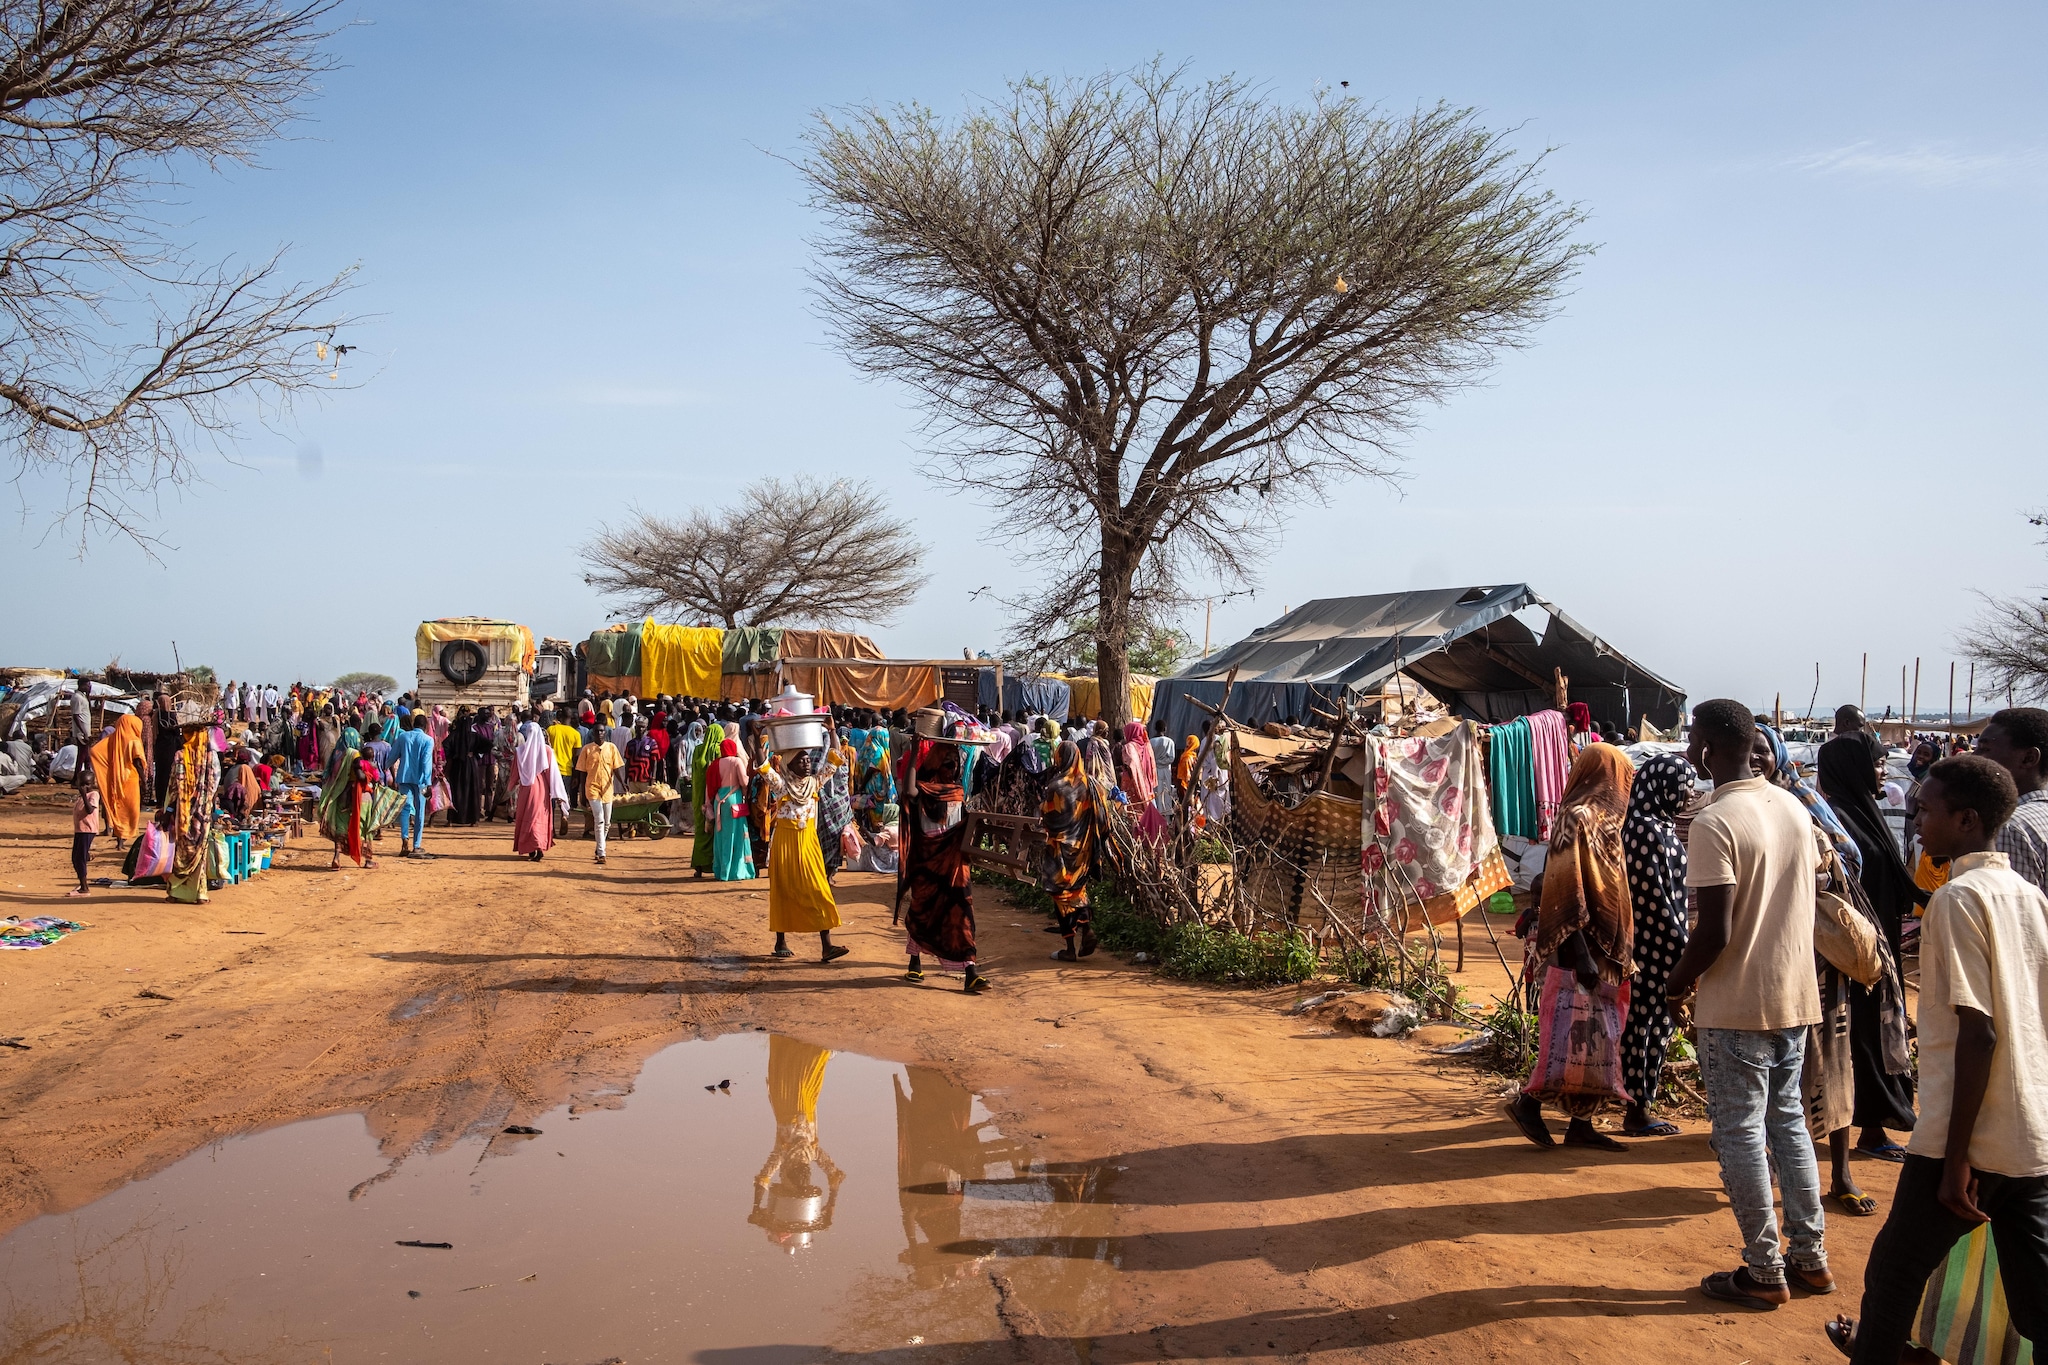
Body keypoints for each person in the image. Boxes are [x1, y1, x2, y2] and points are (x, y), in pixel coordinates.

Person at [1829, 755, 2048, 1364]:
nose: (1916, 819)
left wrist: (1955, 1162)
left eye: (1927, 809)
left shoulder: (1957, 898)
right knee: (2039, 1303)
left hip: (1968, 1138)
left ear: (1968, 820)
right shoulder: (2029, 897)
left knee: (1893, 1280)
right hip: (2029, 1137)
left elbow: (1978, 1034)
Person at [1666, 700, 1830, 1308]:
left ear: (1708, 747)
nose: (1686, 750)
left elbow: (1715, 932)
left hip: (1737, 1004)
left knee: (1739, 1133)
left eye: (1691, 738)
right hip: (1794, 996)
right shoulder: (1792, 805)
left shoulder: (1716, 822)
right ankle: (1810, 1259)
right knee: (1787, 1125)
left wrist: (1677, 983)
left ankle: (1763, 1271)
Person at [1506, 742, 1635, 1151]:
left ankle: (1582, 1125)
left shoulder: (1608, 822)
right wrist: (1580, 954)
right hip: (1581, 943)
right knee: (1570, 1031)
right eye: (1621, 775)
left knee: (1598, 1036)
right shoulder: (1576, 818)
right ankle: (1528, 1102)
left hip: (1606, 945)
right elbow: (1563, 888)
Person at [1815, 736, 1925, 1165]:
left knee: (1874, 1032)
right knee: (1859, 1035)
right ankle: (1871, 1128)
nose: (1883, 771)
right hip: (1851, 950)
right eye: (1876, 764)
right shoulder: (1836, 819)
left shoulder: (1865, 811)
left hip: (1881, 944)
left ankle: (1875, 1126)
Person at [1619, 750, 1692, 1137]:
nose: (1687, 796)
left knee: (1655, 1027)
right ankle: (1636, 1108)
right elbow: (1655, 897)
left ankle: (1641, 1102)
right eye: (1683, 787)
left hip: (1659, 943)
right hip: (1653, 947)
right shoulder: (1646, 831)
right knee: (1644, 1027)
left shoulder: (1654, 825)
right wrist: (1684, 944)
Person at [898, 740, 989, 992]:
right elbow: (908, 790)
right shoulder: (923, 790)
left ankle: (971, 970)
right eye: (947, 762)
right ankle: (914, 960)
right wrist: (915, 752)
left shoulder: (958, 792)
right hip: (927, 864)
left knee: (962, 912)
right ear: (936, 763)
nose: (952, 768)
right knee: (922, 911)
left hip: (955, 864)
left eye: (955, 763)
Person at [757, 750, 847, 963]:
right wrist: (755, 735)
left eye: (808, 760)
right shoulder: (781, 785)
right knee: (784, 889)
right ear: (790, 764)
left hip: (808, 842)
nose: (807, 764)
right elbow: (764, 768)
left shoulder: (814, 783)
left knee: (819, 890)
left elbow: (835, 759)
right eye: (801, 760)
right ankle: (781, 942)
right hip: (786, 843)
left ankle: (827, 946)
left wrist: (833, 730)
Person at [1040, 740, 1105, 962]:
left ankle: (1069, 948)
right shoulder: (1090, 785)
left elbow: (1049, 818)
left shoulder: (1055, 786)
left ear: (1059, 757)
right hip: (1083, 851)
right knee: (1078, 890)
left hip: (1060, 850)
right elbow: (1102, 816)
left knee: (1062, 896)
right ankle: (1087, 930)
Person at [1976, 707, 2048, 895]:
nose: (1974, 757)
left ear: (2028, 758)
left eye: (1985, 749)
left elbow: (2013, 914)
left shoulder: (2008, 827)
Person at [165, 718, 220, 904]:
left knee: (181, 851)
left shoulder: (180, 756)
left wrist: (169, 810)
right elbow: (214, 785)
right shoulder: (211, 758)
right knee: (200, 852)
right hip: (203, 813)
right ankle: (200, 894)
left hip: (184, 812)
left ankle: (176, 893)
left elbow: (174, 786)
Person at [319, 740, 389, 870]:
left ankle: (336, 857)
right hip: (362, 797)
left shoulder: (338, 756)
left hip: (341, 794)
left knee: (341, 827)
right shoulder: (358, 759)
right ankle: (368, 860)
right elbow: (364, 777)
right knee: (364, 827)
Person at [89, 712, 148, 852]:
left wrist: (107, 771)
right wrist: (145, 781)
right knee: (130, 810)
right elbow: (138, 763)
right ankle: (123, 839)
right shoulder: (134, 740)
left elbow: (95, 751)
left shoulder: (112, 738)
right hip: (130, 779)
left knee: (118, 807)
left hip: (115, 779)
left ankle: (119, 840)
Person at [511, 719, 568, 861]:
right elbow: (553, 774)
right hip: (542, 790)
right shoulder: (547, 750)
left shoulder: (520, 751)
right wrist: (558, 794)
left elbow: (514, 773)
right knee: (538, 817)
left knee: (526, 817)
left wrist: (511, 786)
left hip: (525, 789)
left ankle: (530, 848)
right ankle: (538, 847)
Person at [707, 737, 756, 881]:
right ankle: (736, 871)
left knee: (722, 836)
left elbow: (709, 786)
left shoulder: (715, 764)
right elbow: (744, 781)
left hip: (719, 801)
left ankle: (722, 871)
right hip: (733, 800)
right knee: (737, 834)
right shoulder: (736, 761)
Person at [576, 723, 624, 865]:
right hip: (592, 788)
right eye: (597, 731)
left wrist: (622, 782)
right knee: (599, 819)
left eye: (602, 731)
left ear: (605, 733)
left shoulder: (611, 748)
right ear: (593, 733)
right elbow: (582, 773)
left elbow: (616, 768)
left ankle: (598, 847)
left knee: (607, 822)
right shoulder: (587, 749)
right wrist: (582, 793)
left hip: (607, 789)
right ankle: (602, 853)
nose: (600, 734)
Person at [389, 712, 435, 858]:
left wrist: (385, 767)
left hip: (404, 776)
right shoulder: (428, 740)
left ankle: (404, 840)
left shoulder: (403, 736)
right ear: (426, 726)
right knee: (420, 810)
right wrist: (428, 783)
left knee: (405, 808)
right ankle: (416, 845)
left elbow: (392, 756)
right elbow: (426, 762)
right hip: (421, 779)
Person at [690, 720, 726, 879]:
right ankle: (713, 865)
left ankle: (698, 867)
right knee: (715, 832)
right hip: (715, 796)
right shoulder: (719, 751)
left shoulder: (698, 750)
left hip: (698, 797)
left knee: (700, 830)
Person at [67, 759, 100, 897]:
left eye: (87, 784)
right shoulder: (82, 797)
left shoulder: (93, 795)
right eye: (82, 784)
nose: (84, 787)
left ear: (92, 784)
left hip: (88, 830)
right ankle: (82, 882)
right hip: (80, 830)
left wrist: (83, 795)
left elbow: (89, 810)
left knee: (79, 858)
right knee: (75, 857)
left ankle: (84, 888)